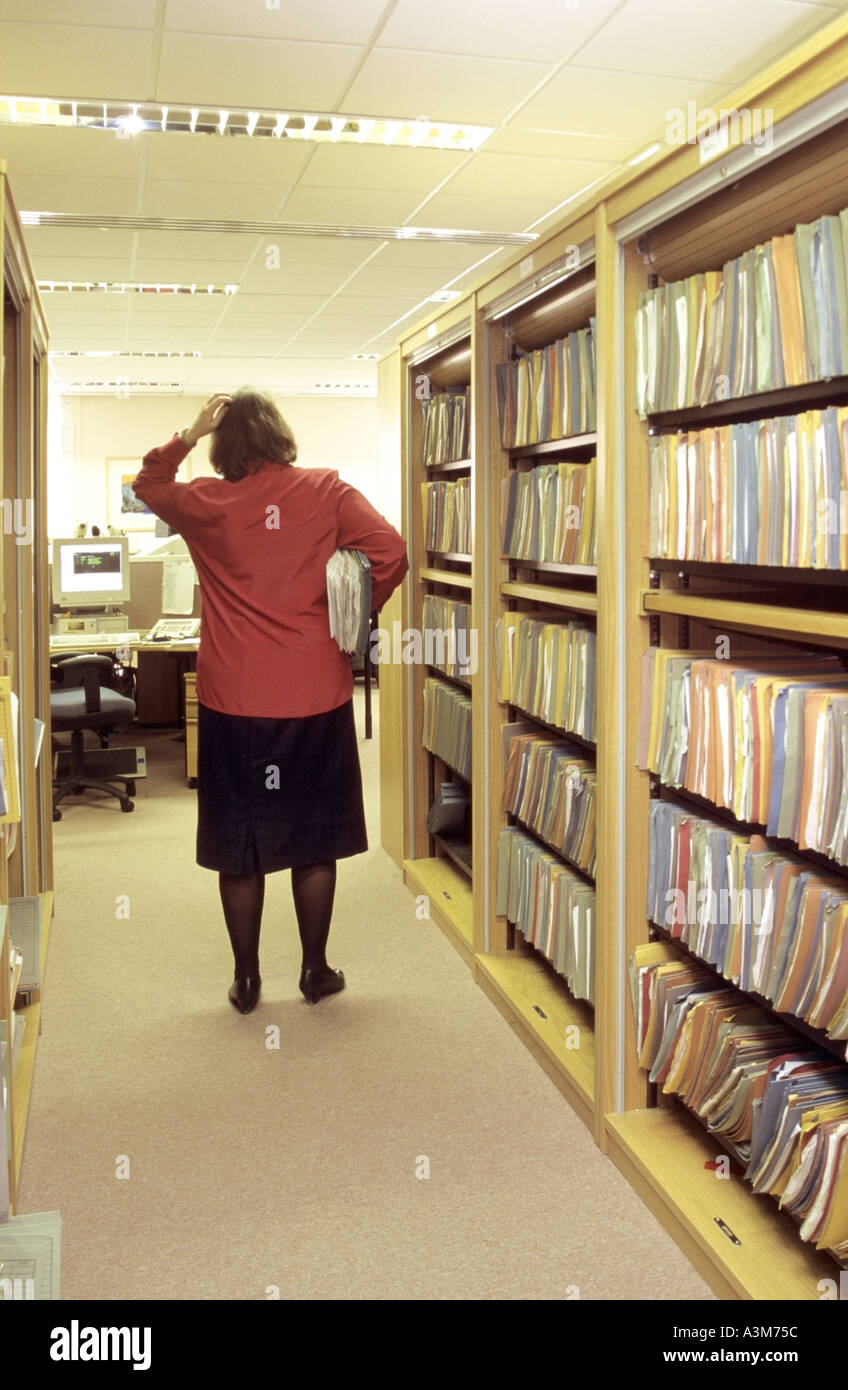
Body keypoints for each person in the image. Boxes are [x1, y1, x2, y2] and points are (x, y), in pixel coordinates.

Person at [132, 390, 408, 1014]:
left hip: (235, 699)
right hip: (315, 692)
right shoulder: (327, 491)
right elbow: (392, 553)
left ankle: (248, 979)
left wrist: (189, 432)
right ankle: (314, 972)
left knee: (241, 843)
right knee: (315, 839)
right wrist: (349, 613)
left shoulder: (204, 503)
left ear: (223, 447)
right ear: (281, 436)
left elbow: (147, 483)